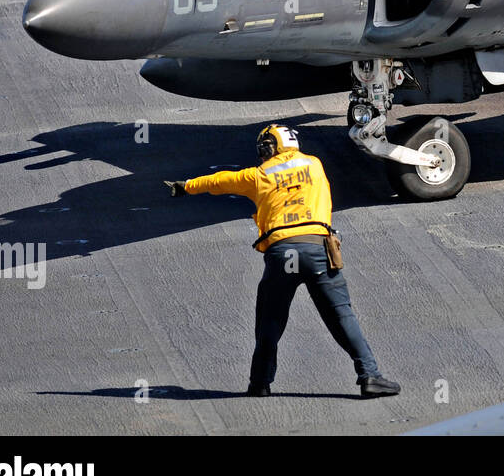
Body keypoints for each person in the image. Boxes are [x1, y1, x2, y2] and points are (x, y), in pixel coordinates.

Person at [164, 125, 399, 399]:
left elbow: (221, 181)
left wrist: (185, 187)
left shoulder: (260, 175)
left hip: (281, 253)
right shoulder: (314, 164)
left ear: (268, 148)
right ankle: (369, 375)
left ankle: (260, 383)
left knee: (270, 322)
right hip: (317, 249)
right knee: (341, 315)